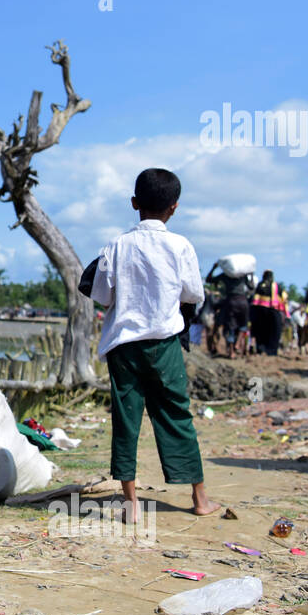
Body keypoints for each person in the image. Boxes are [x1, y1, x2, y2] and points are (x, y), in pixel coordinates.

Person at [89, 168, 221, 521]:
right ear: (174, 208)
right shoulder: (181, 246)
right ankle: (199, 499)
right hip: (164, 343)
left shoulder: (115, 245)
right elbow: (194, 293)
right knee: (176, 415)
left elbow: (102, 295)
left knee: (126, 418)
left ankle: (131, 505)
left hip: (124, 345)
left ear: (134, 203)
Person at [206, 259, 255, 360]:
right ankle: (238, 343)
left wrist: (213, 268)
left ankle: (232, 352)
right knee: (243, 324)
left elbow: (208, 280)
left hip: (230, 302)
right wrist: (250, 275)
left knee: (230, 327)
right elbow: (251, 287)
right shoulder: (243, 275)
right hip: (243, 302)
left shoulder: (225, 275)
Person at [251, 270, 285, 356]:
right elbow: (284, 299)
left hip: (261, 312)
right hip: (274, 311)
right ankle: (271, 351)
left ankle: (261, 349)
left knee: (261, 331)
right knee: (273, 332)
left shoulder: (260, 285)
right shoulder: (277, 286)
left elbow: (255, 300)